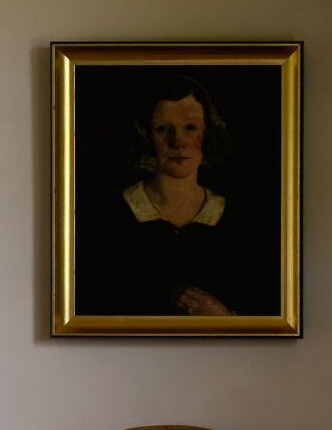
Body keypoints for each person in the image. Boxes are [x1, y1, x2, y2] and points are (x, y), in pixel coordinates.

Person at [75, 73, 274, 319]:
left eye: (190, 127)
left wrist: (224, 318)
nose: (177, 141)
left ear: (207, 133)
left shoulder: (239, 223)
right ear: (146, 137)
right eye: (162, 129)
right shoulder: (107, 219)